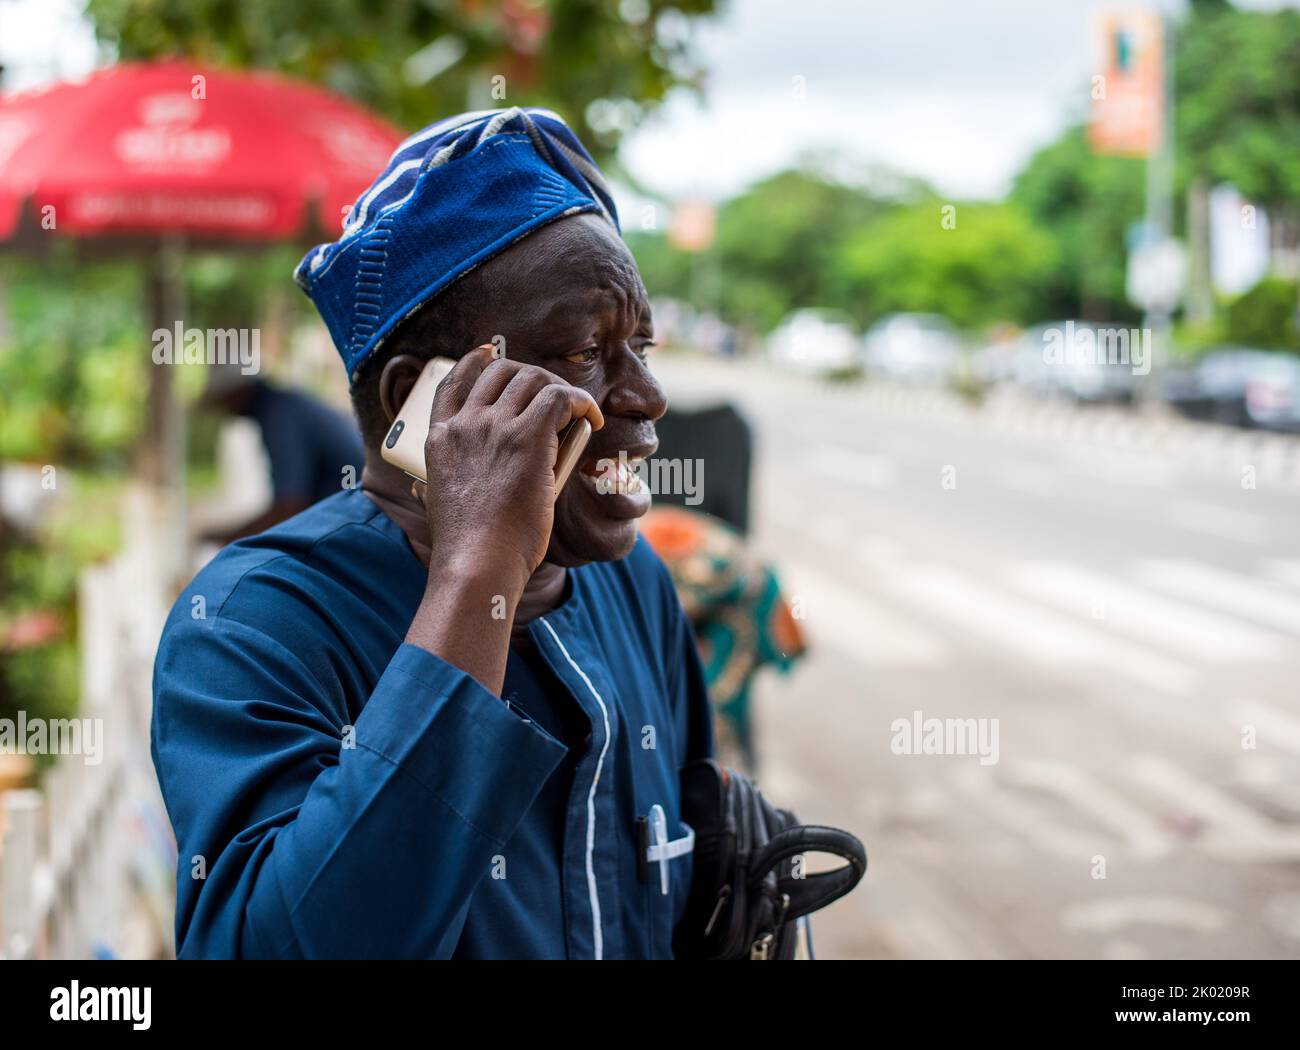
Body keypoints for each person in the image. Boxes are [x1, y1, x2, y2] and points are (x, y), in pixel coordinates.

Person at [150, 107, 714, 959]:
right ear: (427, 402)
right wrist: (481, 566)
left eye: (641, 343)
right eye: (586, 349)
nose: (647, 394)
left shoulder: (630, 583)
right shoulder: (253, 624)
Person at [197, 371, 365, 543]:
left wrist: (231, 539)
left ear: (237, 392)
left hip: (354, 517)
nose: (225, 410)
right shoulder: (283, 406)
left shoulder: (279, 416)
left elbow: (289, 507)